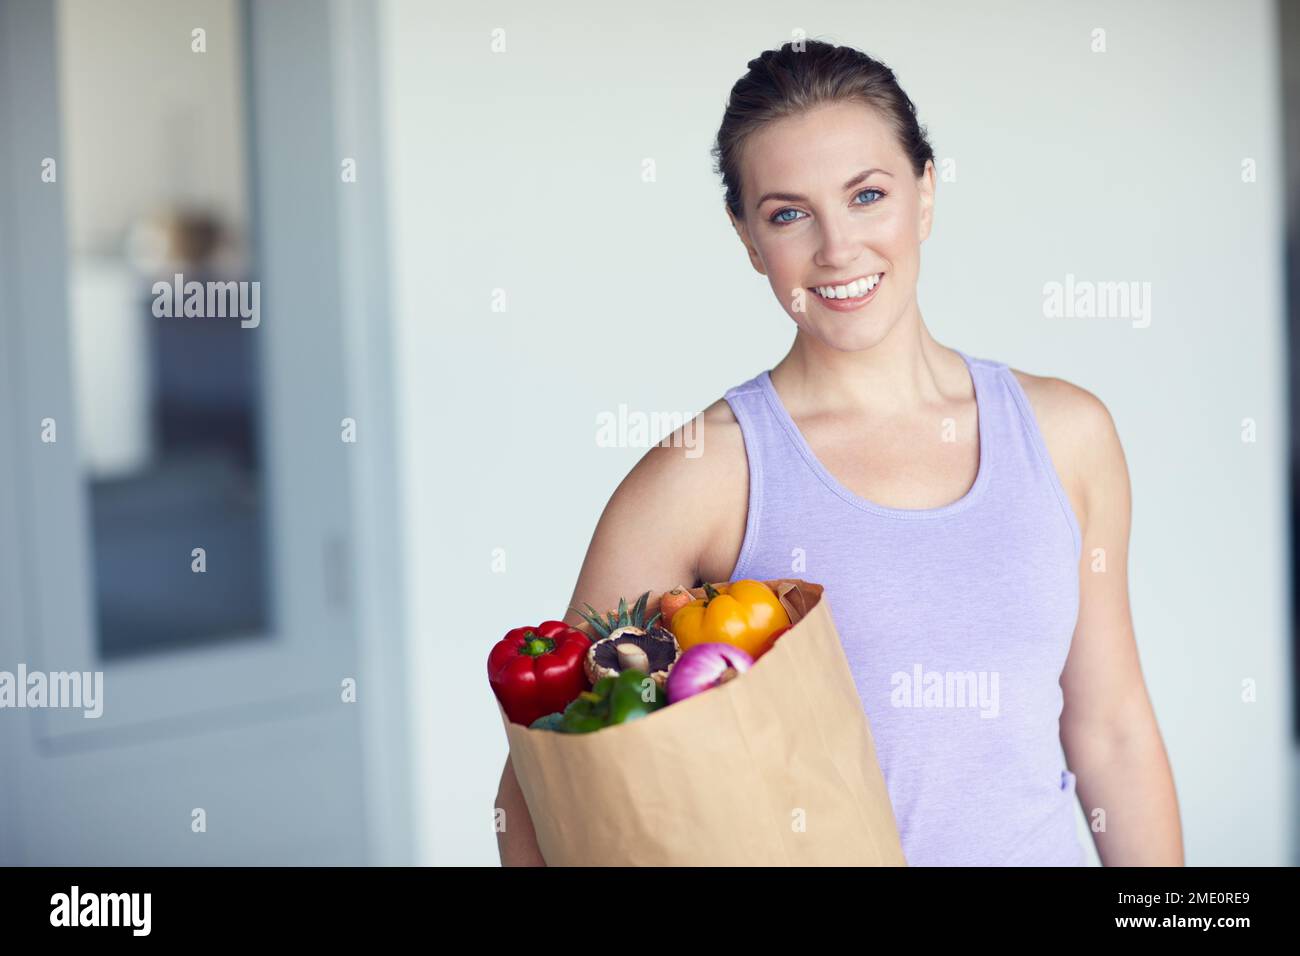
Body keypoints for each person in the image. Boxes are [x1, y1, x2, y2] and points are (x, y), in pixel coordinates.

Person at [496, 39, 1182, 866]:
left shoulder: (1068, 434)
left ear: (925, 194)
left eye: (867, 195)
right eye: (789, 213)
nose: (837, 248)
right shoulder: (703, 473)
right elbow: (543, 791)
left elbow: (1109, 730)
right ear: (748, 240)